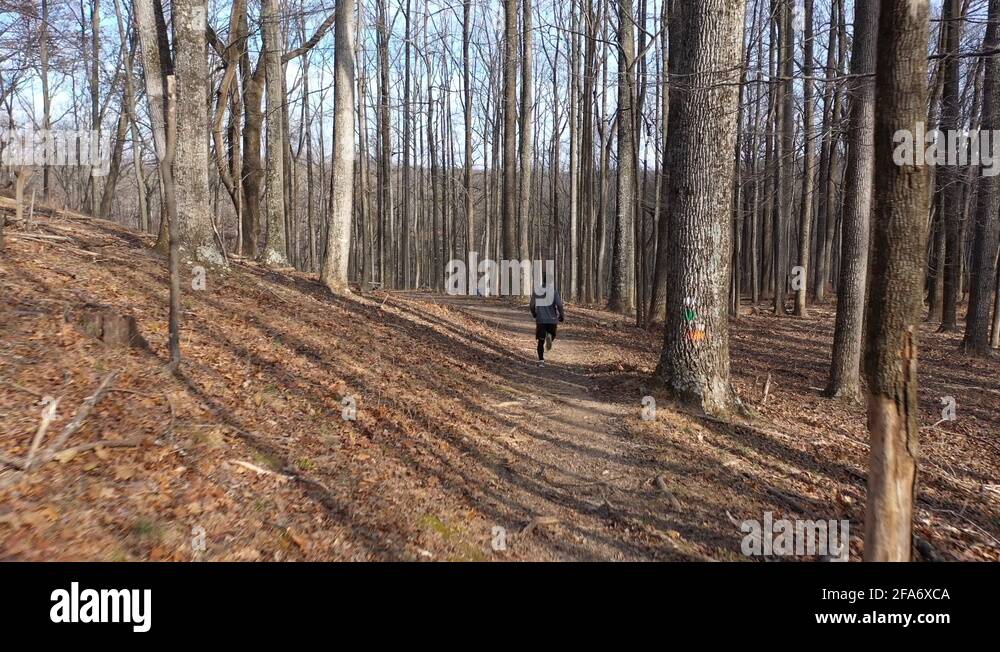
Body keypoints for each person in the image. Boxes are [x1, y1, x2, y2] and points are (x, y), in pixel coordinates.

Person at [529, 283, 564, 367]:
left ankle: (541, 361)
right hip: (552, 320)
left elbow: (532, 305)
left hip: (541, 319)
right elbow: (559, 305)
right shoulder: (554, 292)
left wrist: (534, 313)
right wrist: (561, 315)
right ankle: (549, 338)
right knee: (551, 335)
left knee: (541, 341)